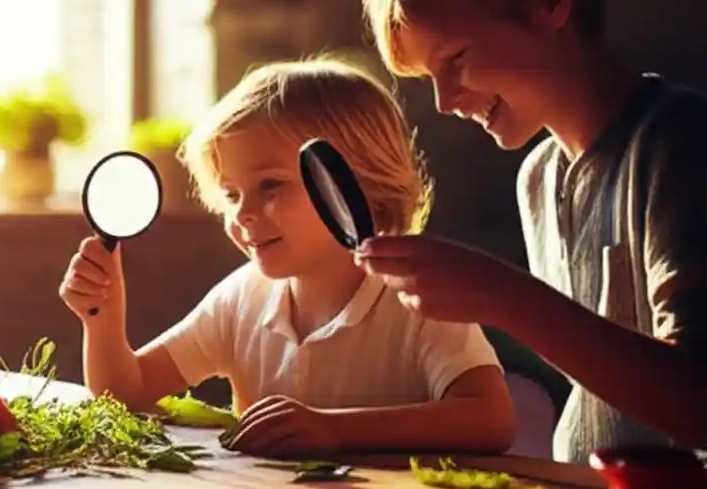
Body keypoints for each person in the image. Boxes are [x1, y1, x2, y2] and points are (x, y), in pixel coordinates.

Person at [358, 0, 707, 463]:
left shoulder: (677, 144)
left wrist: (506, 298)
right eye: (429, 78)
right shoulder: (539, 179)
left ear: (551, 2)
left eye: (457, 59)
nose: (446, 102)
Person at [58, 58, 515, 458]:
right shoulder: (242, 298)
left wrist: (333, 429)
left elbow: (489, 419)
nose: (243, 215)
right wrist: (102, 320)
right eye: (232, 194)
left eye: (271, 185)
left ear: (357, 183)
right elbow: (125, 395)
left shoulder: (418, 296)